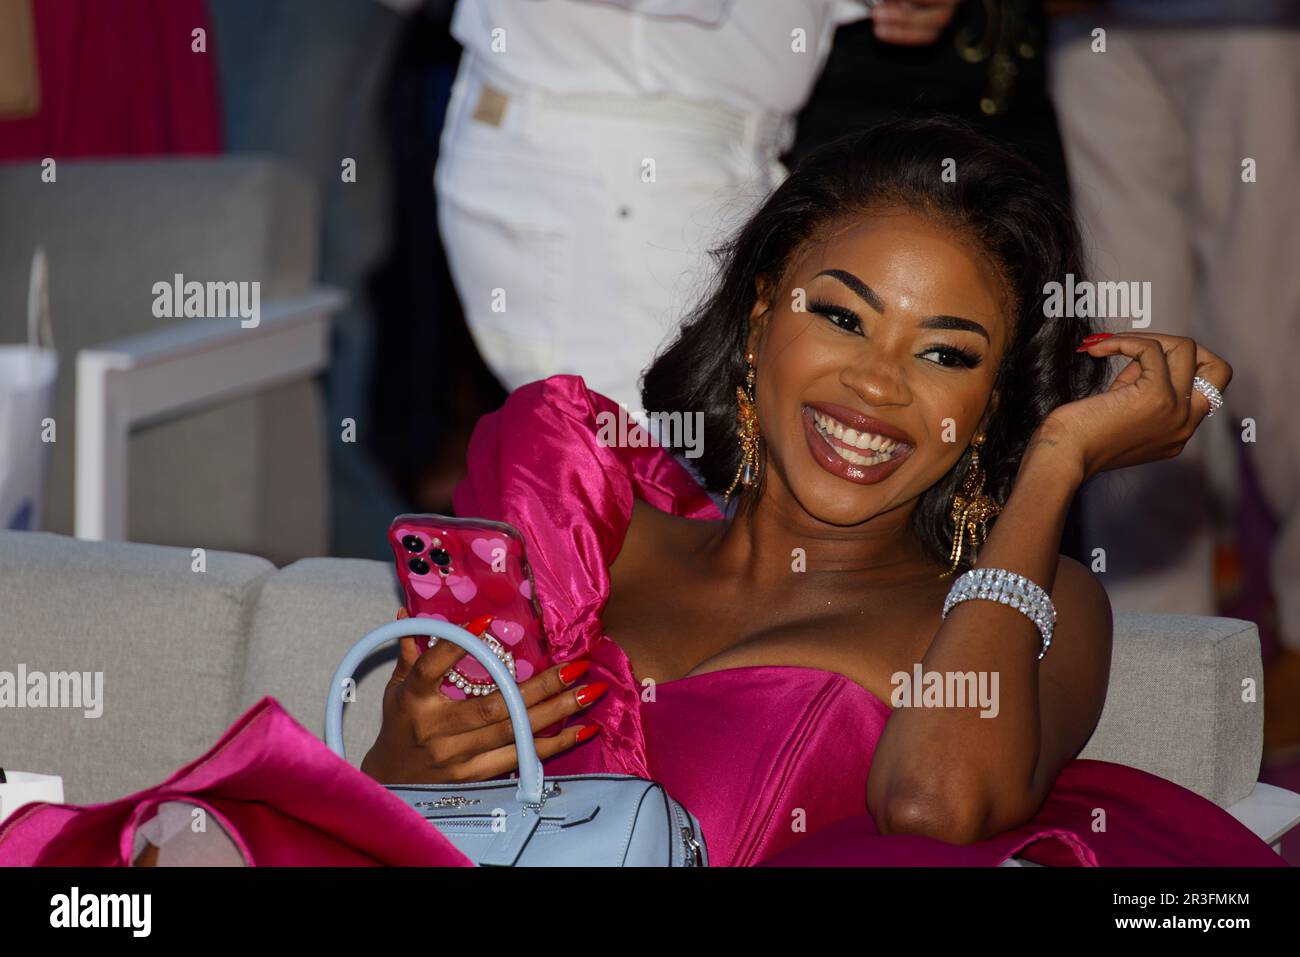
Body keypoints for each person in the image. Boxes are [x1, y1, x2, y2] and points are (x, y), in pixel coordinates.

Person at [362, 118, 1278, 866]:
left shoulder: (1040, 608)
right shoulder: (579, 541)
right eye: (842, 317)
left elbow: (935, 806)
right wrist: (401, 760)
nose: (878, 385)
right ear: (761, 322)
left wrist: (1055, 461)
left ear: (991, 410)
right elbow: (398, 828)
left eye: (945, 354)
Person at [1048, 1, 1300, 762]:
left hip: (1240, 17)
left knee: (1267, 331)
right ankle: (1154, 673)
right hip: (1086, 23)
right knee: (1125, 353)